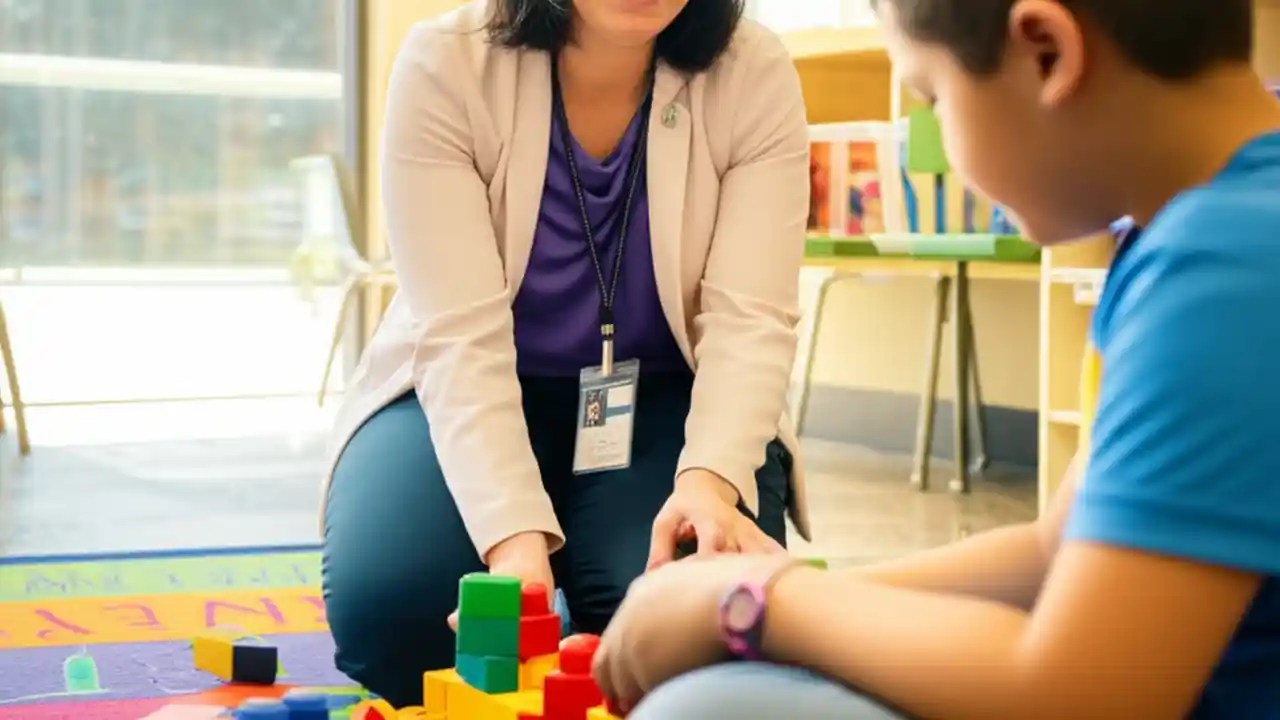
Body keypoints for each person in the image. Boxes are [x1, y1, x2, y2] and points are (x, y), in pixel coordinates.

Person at [593, 1, 1280, 718]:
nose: (944, 148)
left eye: (934, 98)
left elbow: (1082, 693)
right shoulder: (1208, 224)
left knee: (707, 710)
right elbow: (1055, 548)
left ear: (1046, 53)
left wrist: (756, 606)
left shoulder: (1226, 269)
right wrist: (782, 590)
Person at [319, 0, 813, 706]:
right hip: (462, 392)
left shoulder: (753, 70)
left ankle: (596, 565)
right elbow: (460, 339)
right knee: (401, 616)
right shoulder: (444, 63)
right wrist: (512, 546)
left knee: (687, 631)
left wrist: (708, 483)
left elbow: (751, 320)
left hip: (666, 400)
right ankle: (553, 551)